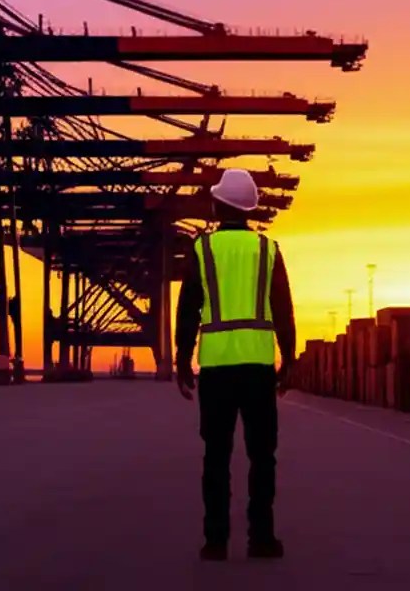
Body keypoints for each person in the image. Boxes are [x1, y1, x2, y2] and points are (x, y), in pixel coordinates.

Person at [175, 168, 296, 562]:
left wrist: (181, 359)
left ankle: (215, 542)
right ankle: (262, 539)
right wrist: (289, 359)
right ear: (250, 209)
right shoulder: (268, 250)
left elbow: (188, 308)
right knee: (262, 455)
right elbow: (283, 309)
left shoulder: (202, 249)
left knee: (216, 455)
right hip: (258, 366)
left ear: (218, 205)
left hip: (216, 368)